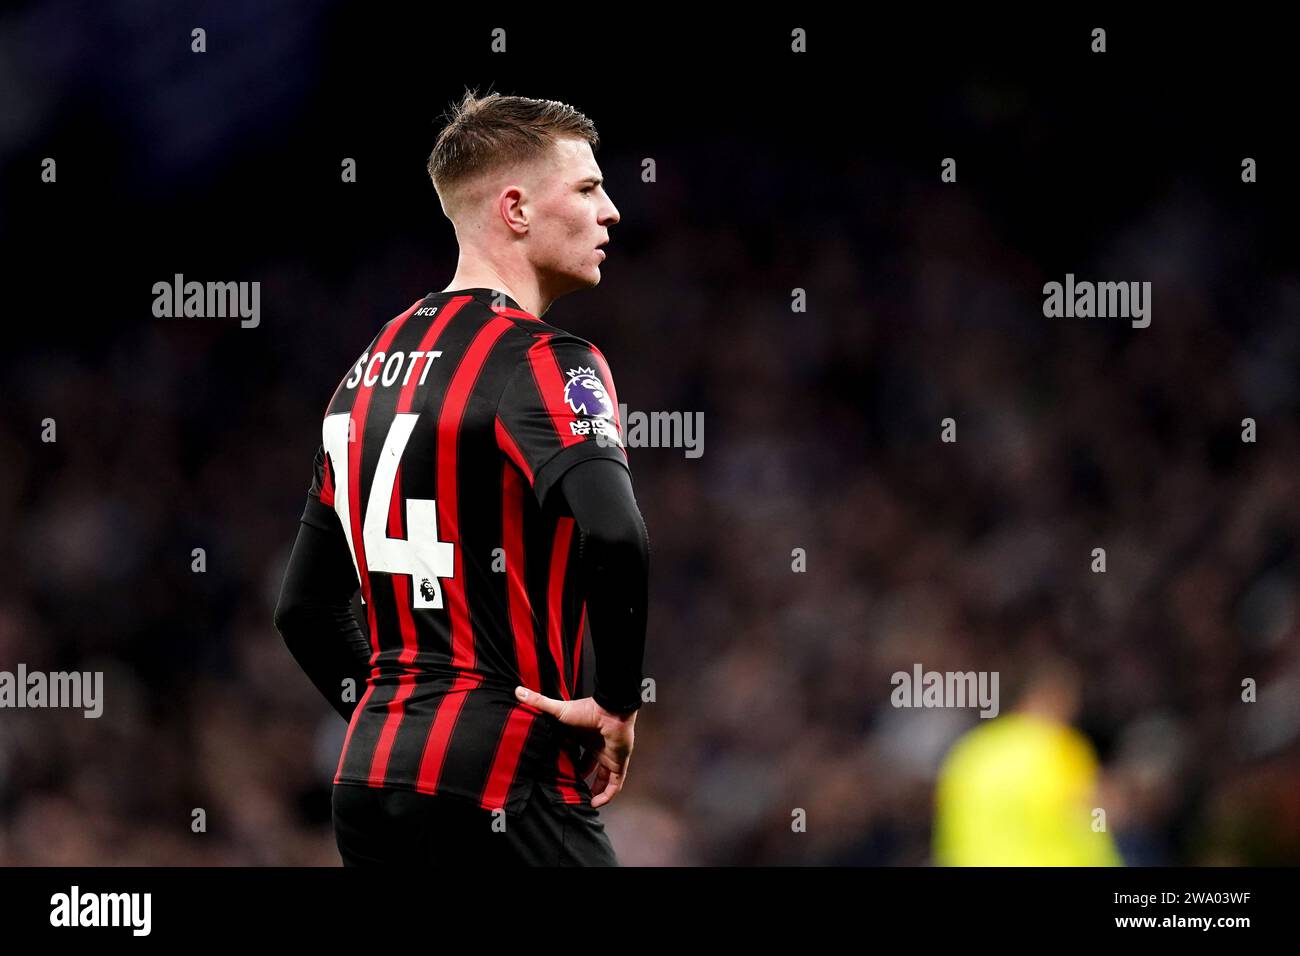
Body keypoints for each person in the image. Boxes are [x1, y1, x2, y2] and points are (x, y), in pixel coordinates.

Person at [273, 90, 649, 866]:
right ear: (514, 208)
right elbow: (616, 534)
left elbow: (305, 610)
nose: (610, 211)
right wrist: (615, 702)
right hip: (505, 776)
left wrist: (405, 733)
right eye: (586, 188)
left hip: (371, 785)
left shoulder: (365, 374)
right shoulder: (547, 359)